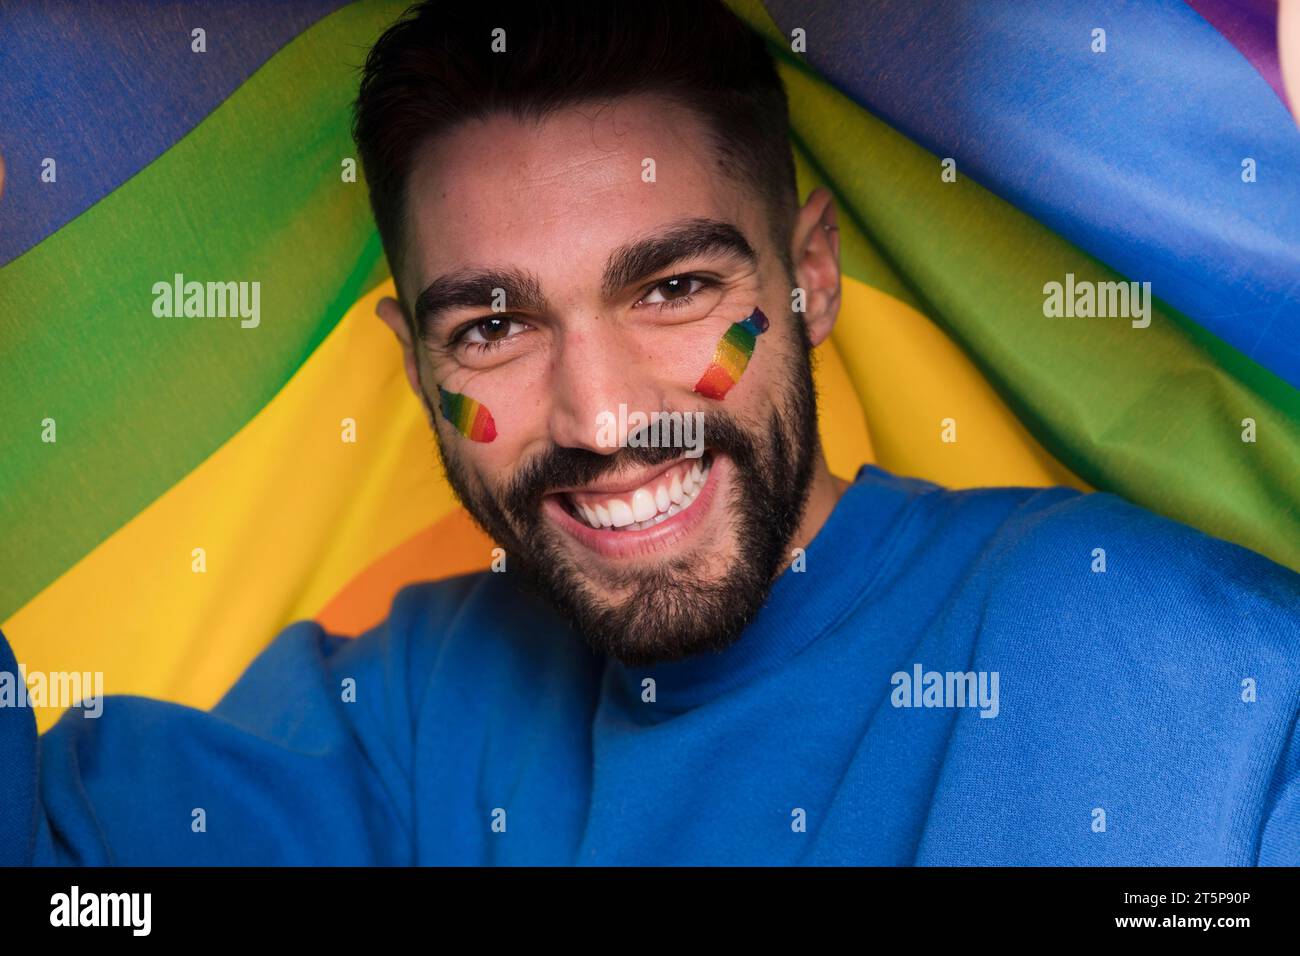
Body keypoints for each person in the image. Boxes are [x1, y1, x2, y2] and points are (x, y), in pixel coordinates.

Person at [2, 0, 1296, 866]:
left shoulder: (1210, 673)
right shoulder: (399, 718)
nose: (604, 418)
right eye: (494, 328)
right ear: (412, 362)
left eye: (675, 290)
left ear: (812, 277)